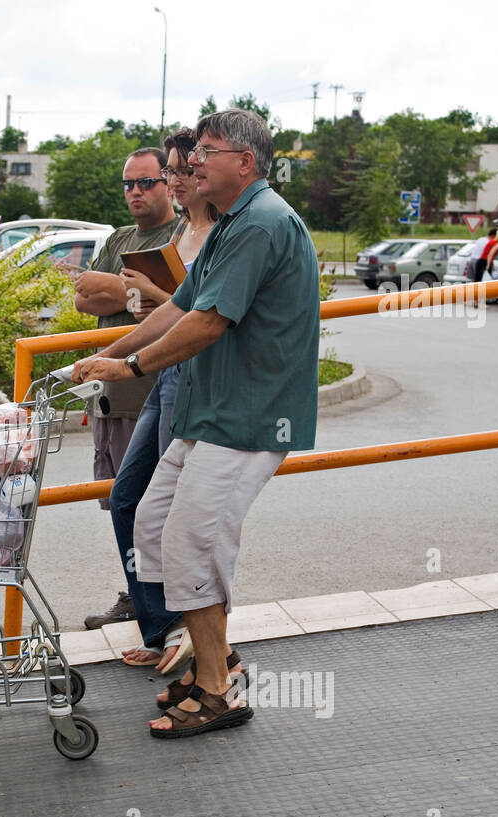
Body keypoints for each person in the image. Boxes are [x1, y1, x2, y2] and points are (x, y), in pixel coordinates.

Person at [71, 109, 320, 739]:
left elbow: (209, 324)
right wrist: (115, 353)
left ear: (245, 162)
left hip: (250, 418)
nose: (193, 162)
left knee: (192, 545)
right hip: (211, 413)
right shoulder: (232, 222)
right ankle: (218, 659)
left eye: (207, 151)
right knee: (152, 524)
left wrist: (129, 368)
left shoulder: (260, 223)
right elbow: (181, 306)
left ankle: (218, 690)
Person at [110, 127, 219, 670]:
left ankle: (197, 641)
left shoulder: (220, 231)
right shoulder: (183, 235)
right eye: (170, 172)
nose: (177, 181)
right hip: (166, 378)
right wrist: (113, 351)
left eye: (179, 171)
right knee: (129, 499)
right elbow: (161, 310)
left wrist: (147, 313)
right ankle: (162, 627)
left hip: (195, 381)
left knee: (180, 515)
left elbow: (193, 313)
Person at [75, 148, 179, 631]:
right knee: (121, 503)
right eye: (128, 184)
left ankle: (166, 604)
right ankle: (139, 597)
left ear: (168, 183)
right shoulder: (119, 238)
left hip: (152, 391)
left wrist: (118, 288)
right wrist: (133, 287)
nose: (135, 192)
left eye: (147, 182)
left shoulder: (181, 235)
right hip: (107, 395)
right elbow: (81, 297)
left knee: (152, 506)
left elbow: (177, 302)